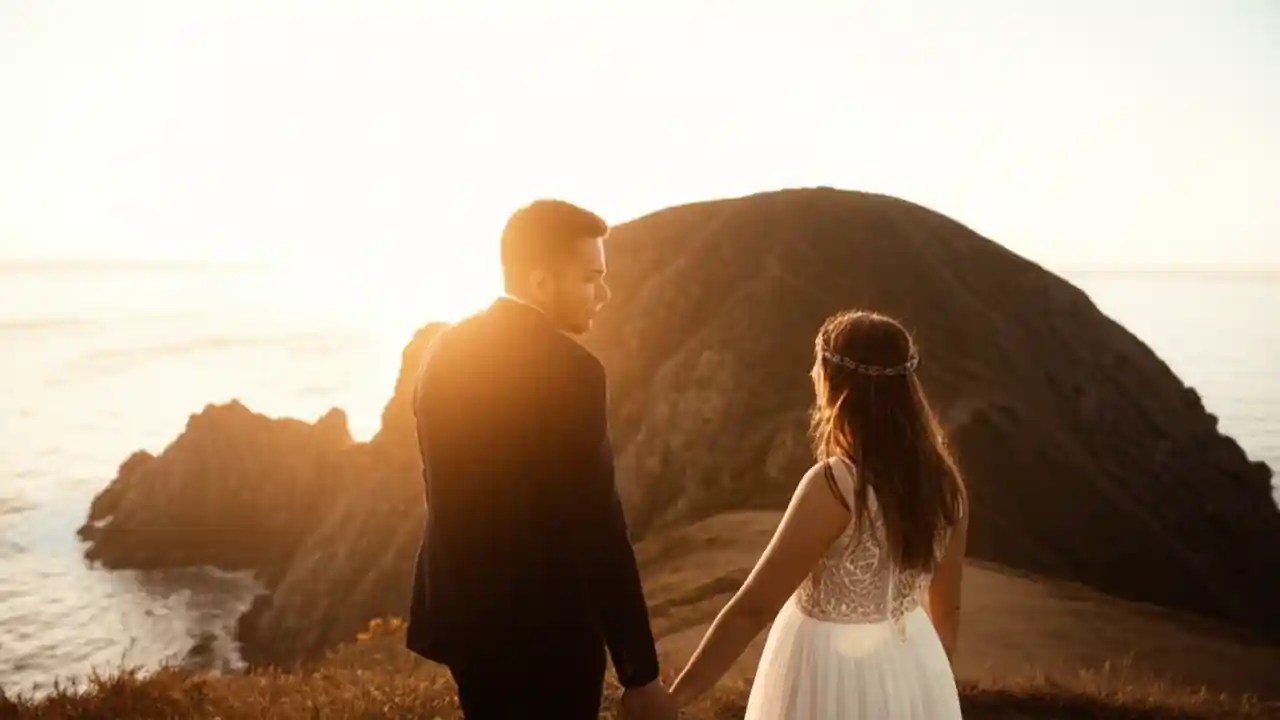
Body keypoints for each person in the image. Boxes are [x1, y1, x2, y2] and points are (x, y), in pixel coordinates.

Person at [405, 200, 676, 719]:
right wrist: (639, 673)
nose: (604, 294)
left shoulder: (443, 349)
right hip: (548, 638)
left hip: (467, 625)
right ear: (540, 281)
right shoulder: (572, 371)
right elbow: (597, 525)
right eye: (590, 278)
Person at [670, 309, 968, 719]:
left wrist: (673, 699)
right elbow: (947, 611)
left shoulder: (836, 486)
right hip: (913, 659)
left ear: (832, 382)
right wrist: (924, 688)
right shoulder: (946, 486)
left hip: (831, 673)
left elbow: (753, 609)